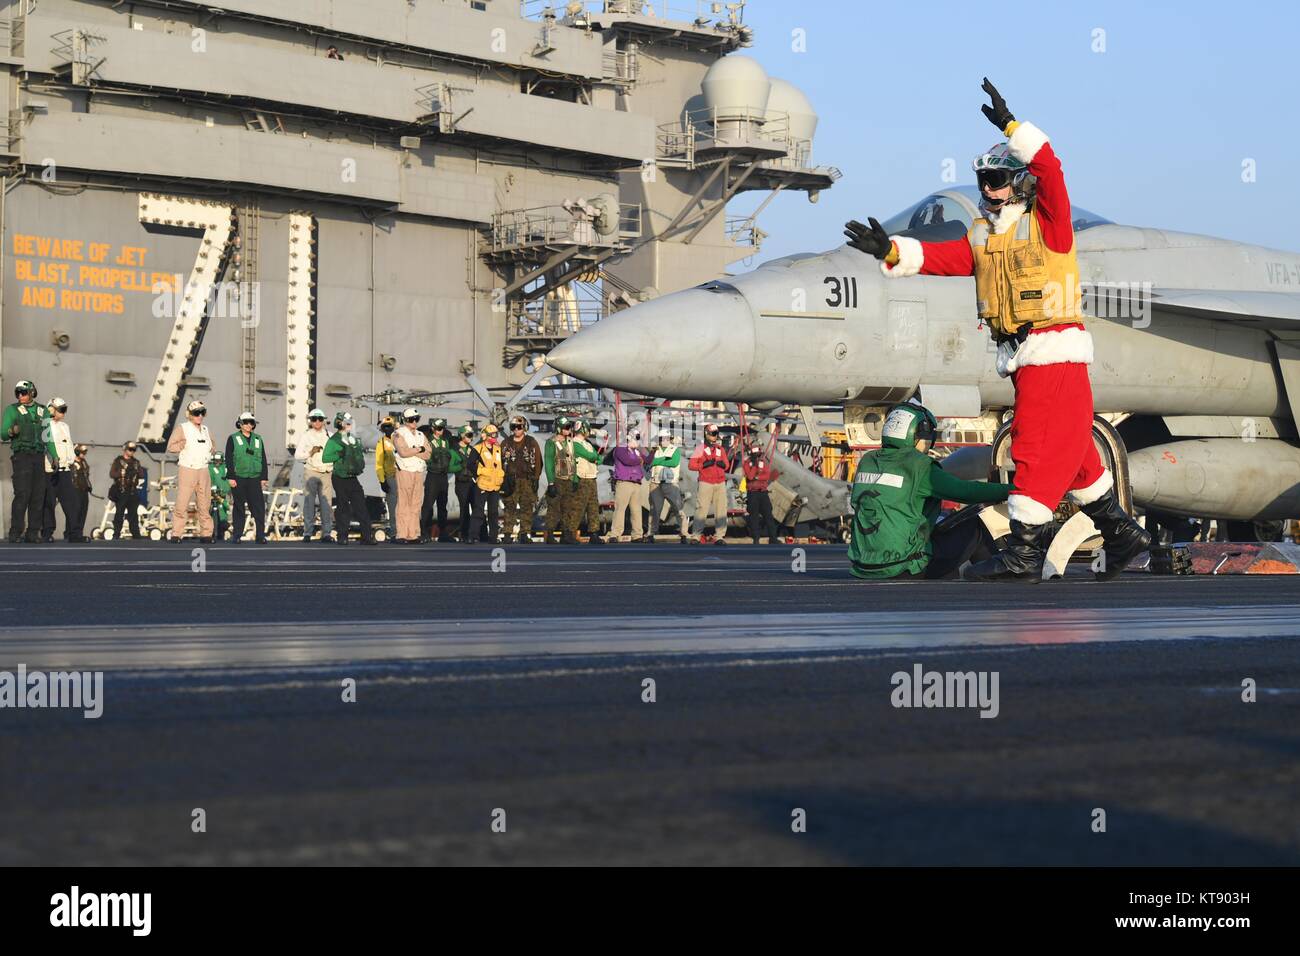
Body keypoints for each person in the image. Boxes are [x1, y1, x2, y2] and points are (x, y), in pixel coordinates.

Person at [845, 78, 1149, 582]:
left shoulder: (1049, 224)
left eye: (1000, 179)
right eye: (984, 179)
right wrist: (889, 251)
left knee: (1030, 445)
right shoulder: (983, 239)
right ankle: (1120, 535)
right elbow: (941, 257)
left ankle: (1024, 555)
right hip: (1027, 355)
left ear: (1020, 183)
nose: (989, 189)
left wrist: (1013, 127)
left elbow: (1050, 167)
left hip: (1053, 350)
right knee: (1073, 454)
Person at [847, 403, 1013, 580]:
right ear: (915, 435)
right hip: (904, 567)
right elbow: (966, 491)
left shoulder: (868, 461)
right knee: (978, 524)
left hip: (863, 566)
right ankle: (997, 578)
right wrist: (1013, 490)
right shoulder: (918, 465)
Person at [3, 379, 49, 543]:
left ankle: (33, 532)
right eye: (18, 393)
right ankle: (15, 532)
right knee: (23, 494)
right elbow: (2, 434)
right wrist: (11, 431)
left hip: (38, 456)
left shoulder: (43, 411)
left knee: (38, 496)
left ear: (32, 393)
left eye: (23, 392)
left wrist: (55, 456)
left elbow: (47, 437)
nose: (20, 396)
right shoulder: (12, 410)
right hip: (21, 457)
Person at [321, 411, 376, 545]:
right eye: (347, 423)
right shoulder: (334, 440)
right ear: (340, 424)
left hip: (352, 477)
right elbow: (325, 458)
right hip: (340, 477)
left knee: (361, 506)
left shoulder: (353, 439)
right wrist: (338, 455)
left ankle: (367, 536)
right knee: (343, 507)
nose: (349, 425)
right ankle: (342, 536)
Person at [166, 399, 216, 542]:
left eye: (202, 412)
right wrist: (182, 444)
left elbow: (213, 444)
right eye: (196, 413)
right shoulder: (183, 428)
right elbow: (171, 446)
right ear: (189, 414)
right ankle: (176, 534)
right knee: (182, 503)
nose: (199, 415)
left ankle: (206, 534)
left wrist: (211, 450)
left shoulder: (206, 430)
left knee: (205, 504)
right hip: (188, 469)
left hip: (204, 470)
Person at [225, 411, 269, 544]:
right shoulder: (233, 438)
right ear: (240, 424)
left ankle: (260, 535)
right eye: (246, 422)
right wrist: (230, 477)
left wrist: (264, 477)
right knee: (239, 507)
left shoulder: (258, 439)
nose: (249, 425)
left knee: (258, 507)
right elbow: (229, 458)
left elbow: (263, 458)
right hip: (239, 477)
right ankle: (237, 535)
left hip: (255, 478)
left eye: (251, 422)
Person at [42, 397, 80, 542]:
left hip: (65, 470)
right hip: (50, 470)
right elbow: (46, 446)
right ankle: (47, 533)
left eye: (65, 409)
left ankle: (75, 533)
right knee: (49, 502)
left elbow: (69, 445)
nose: (64, 412)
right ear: (51, 409)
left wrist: (71, 460)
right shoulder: (45, 425)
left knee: (72, 502)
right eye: (61, 409)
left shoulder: (65, 427)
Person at [688, 423, 732, 544]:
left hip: (720, 482)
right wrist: (703, 465)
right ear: (707, 434)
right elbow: (691, 465)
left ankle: (719, 536)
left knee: (721, 509)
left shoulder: (720, 449)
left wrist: (723, 465)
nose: (715, 436)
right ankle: (696, 536)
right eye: (713, 434)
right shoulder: (700, 448)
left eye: (716, 434)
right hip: (706, 482)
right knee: (701, 508)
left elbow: (726, 464)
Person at [500, 415, 542, 542]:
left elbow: (538, 461)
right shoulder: (506, 443)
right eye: (514, 427)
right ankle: (507, 534)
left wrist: (535, 478)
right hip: (510, 480)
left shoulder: (531, 441)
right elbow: (501, 461)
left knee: (527, 507)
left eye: (519, 427)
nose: (516, 430)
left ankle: (525, 534)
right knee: (509, 508)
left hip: (527, 480)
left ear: (524, 428)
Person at [391, 408, 430, 543]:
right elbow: (403, 452)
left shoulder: (420, 435)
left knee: (416, 503)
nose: (414, 422)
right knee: (404, 503)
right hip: (405, 470)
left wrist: (413, 450)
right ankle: (401, 534)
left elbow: (428, 453)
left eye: (416, 419)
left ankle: (413, 534)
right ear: (406, 420)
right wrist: (419, 449)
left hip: (418, 471)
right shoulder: (398, 434)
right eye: (411, 419)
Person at [295, 408, 334, 542]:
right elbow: (298, 455)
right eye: (314, 419)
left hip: (326, 473)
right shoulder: (306, 436)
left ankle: (327, 533)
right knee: (309, 503)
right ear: (310, 421)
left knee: (326, 504)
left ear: (323, 421)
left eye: (320, 419)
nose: (317, 422)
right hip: (311, 471)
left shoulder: (330, 435)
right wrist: (310, 453)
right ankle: (307, 532)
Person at [608, 429, 651, 542]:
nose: (638, 441)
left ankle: (637, 535)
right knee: (620, 509)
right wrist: (640, 460)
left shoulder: (636, 452)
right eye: (637, 438)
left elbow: (647, 460)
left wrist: (653, 451)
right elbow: (628, 461)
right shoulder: (620, 449)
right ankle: (615, 534)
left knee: (636, 510)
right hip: (624, 482)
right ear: (629, 438)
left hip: (635, 483)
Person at [466, 423, 505, 543]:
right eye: (492, 435)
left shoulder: (498, 449)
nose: (495, 437)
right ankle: (473, 536)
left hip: (495, 485)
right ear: (486, 436)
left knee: (494, 512)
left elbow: (501, 464)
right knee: (478, 511)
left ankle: (493, 537)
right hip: (482, 484)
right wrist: (480, 473)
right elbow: (470, 464)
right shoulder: (478, 448)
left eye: (496, 434)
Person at [543, 416, 579, 544]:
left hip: (569, 479)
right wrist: (551, 482)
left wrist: (575, 479)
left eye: (569, 427)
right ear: (559, 428)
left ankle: (566, 534)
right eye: (566, 427)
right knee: (554, 508)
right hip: (557, 479)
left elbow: (573, 461)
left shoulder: (570, 441)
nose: (568, 429)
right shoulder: (551, 442)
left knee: (568, 508)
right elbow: (548, 462)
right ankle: (550, 535)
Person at [646, 429, 685, 543]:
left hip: (671, 484)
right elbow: (650, 461)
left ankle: (684, 533)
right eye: (662, 438)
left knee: (678, 508)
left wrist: (658, 461)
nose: (664, 440)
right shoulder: (655, 450)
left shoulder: (675, 450)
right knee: (654, 510)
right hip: (656, 483)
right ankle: (651, 533)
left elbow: (673, 462)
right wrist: (663, 459)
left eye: (666, 438)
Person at [571, 422, 606, 544]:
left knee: (593, 506)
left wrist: (596, 457)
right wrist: (596, 457)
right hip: (582, 478)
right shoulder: (575, 443)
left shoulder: (587, 443)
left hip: (591, 477)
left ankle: (594, 532)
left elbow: (597, 457)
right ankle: (571, 532)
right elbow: (591, 456)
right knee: (579, 507)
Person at [420, 418, 453, 542]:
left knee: (442, 505)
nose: (441, 431)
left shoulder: (445, 441)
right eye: (439, 428)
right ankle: (424, 531)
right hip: (432, 475)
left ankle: (443, 532)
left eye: (443, 428)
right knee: (428, 504)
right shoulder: (428, 441)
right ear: (433, 429)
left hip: (443, 476)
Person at [741, 442, 781, 545]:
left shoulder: (763, 462)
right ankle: (756, 539)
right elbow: (749, 477)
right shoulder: (747, 463)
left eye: (758, 453)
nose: (758, 456)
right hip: (752, 493)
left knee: (768, 515)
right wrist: (754, 466)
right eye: (756, 454)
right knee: (754, 516)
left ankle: (773, 538)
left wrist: (757, 477)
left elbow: (767, 475)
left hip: (763, 492)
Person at [108, 441, 145, 540]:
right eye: (130, 449)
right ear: (125, 449)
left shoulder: (136, 462)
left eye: (134, 450)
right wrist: (121, 473)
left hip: (132, 491)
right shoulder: (118, 461)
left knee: (133, 515)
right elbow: (112, 474)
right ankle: (116, 534)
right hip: (122, 491)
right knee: (119, 513)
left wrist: (135, 470)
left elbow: (141, 474)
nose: (132, 452)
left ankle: (136, 534)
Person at [450, 424, 477, 542]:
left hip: (472, 482)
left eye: (472, 435)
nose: (471, 438)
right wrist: (461, 466)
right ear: (462, 436)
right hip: (462, 483)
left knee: (477, 508)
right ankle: (464, 534)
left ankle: (478, 534)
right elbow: (450, 467)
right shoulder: (454, 450)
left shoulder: (472, 450)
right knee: (464, 508)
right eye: (469, 435)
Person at [375, 415, 399, 538]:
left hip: (404, 476)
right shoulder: (382, 443)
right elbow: (379, 464)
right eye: (385, 427)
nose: (388, 429)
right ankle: (395, 532)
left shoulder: (400, 439)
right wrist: (382, 481)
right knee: (393, 506)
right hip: (391, 477)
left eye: (390, 426)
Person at [69, 444, 92, 542]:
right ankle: (72, 533)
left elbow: (86, 476)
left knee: (83, 512)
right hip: (75, 490)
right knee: (75, 512)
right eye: (82, 452)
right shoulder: (71, 463)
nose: (84, 454)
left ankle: (79, 533)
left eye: (85, 452)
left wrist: (89, 486)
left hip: (84, 490)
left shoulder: (84, 462)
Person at [208, 450, 230, 541]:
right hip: (212, 495)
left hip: (223, 495)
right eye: (215, 461)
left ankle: (222, 531)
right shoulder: (210, 468)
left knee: (223, 514)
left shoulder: (225, 468)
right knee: (211, 514)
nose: (217, 462)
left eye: (219, 461)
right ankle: (212, 532)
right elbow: (209, 479)